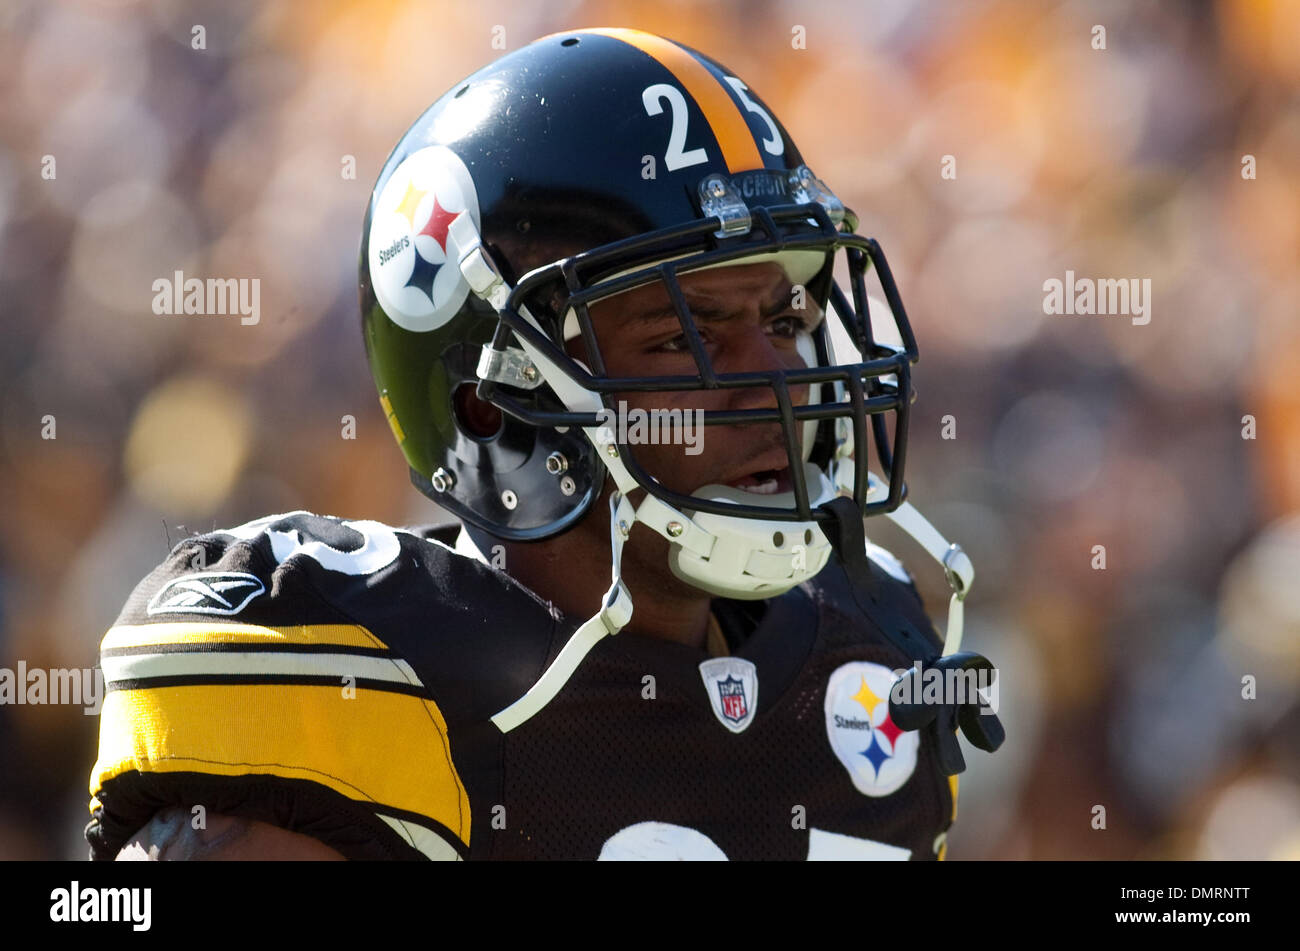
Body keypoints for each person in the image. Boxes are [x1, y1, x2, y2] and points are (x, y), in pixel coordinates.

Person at [86, 27, 1002, 862]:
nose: (779, 382)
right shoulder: (361, 679)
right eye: (688, 333)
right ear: (495, 409)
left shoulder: (870, 656)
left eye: (785, 316)